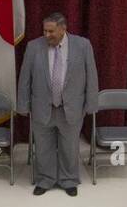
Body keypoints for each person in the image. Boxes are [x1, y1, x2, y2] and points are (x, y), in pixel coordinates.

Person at [17, 11, 99, 196]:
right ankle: (45, 179)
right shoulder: (33, 47)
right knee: (43, 147)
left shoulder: (83, 45)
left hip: (71, 108)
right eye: (45, 31)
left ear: (63, 29)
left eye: (51, 31)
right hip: (42, 108)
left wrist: (91, 104)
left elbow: (91, 77)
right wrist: (22, 104)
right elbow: (24, 78)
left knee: (69, 146)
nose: (47, 35)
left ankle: (69, 179)